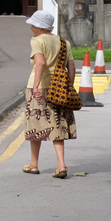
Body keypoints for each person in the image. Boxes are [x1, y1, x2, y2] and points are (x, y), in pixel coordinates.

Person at [21, 10, 75, 178]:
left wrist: (36, 87)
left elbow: (40, 63)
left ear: (39, 27)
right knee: (57, 124)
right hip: (58, 89)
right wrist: (69, 87)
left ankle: (34, 164)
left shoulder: (37, 40)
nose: (31, 27)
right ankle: (61, 165)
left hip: (39, 87)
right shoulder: (64, 42)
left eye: (33, 24)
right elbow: (71, 67)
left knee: (35, 126)